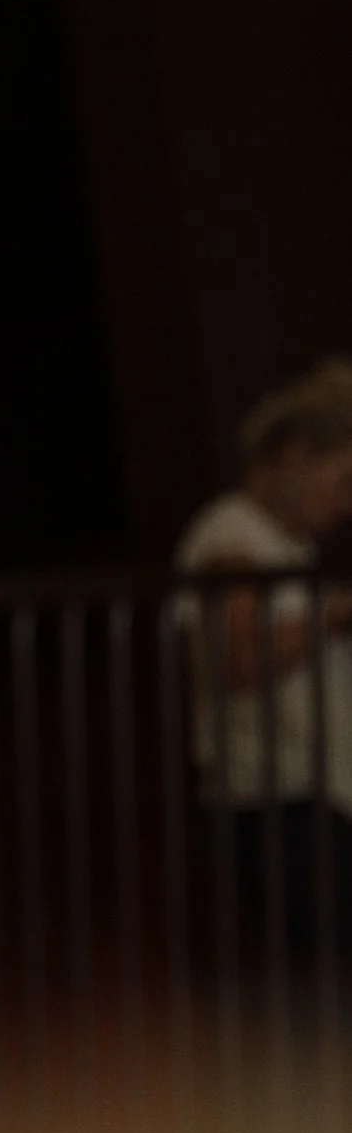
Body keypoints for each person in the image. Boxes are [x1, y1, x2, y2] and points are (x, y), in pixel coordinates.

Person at [174, 358, 352, 988]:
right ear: (298, 456)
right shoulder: (230, 535)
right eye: (342, 480)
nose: (345, 504)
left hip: (314, 795)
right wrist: (334, 616)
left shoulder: (289, 548)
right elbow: (240, 661)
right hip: (277, 802)